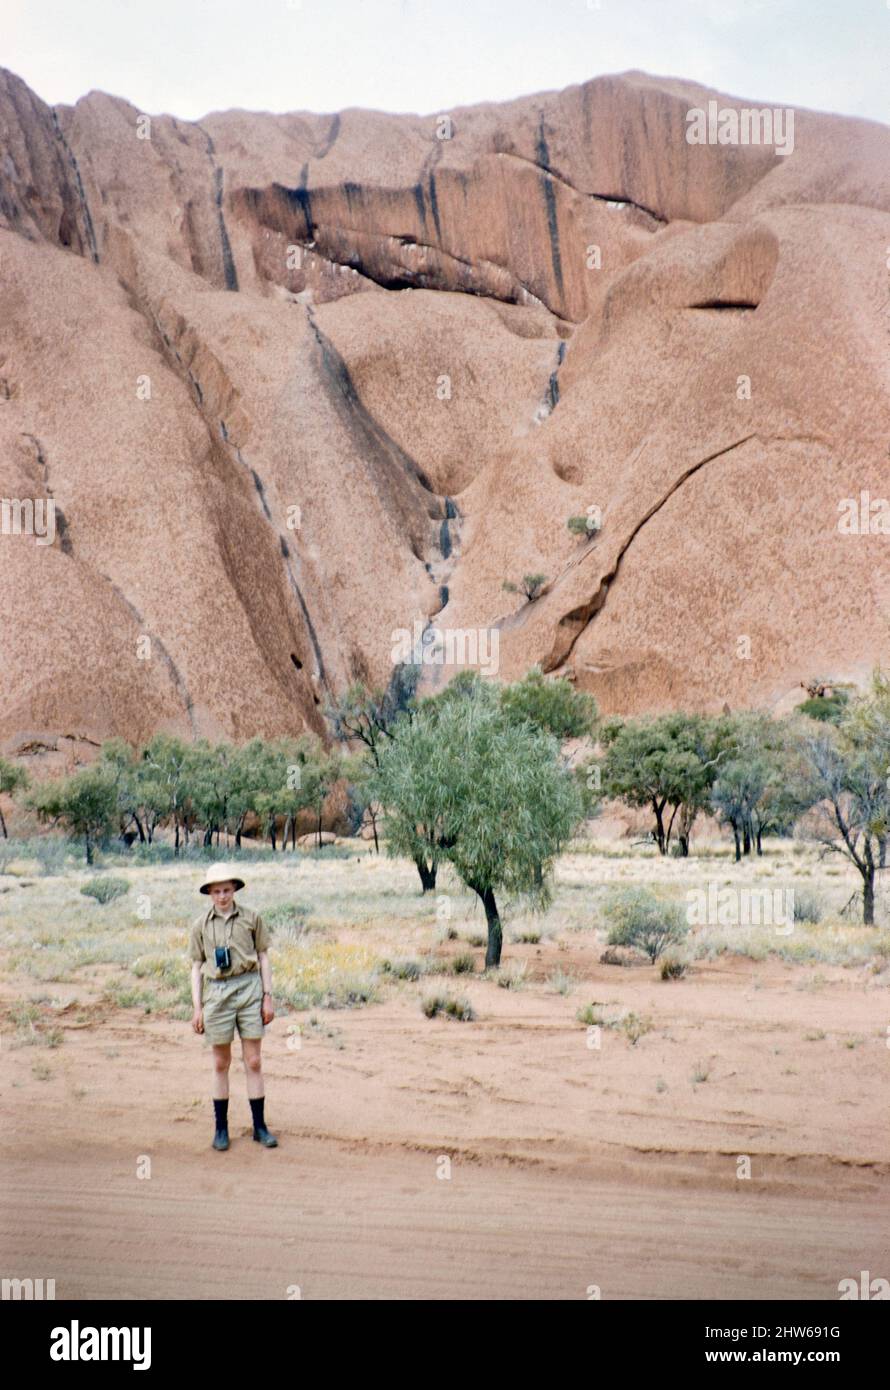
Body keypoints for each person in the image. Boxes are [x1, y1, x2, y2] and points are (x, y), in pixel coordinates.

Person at [189, 863, 278, 1151]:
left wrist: (267, 995)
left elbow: (263, 957)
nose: (223, 896)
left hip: (249, 988)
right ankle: (221, 1129)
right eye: (216, 891)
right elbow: (196, 967)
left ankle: (259, 1127)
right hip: (217, 993)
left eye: (227, 890)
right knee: (220, 1063)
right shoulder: (201, 925)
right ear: (209, 893)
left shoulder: (252, 918)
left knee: (253, 1061)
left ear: (235, 889)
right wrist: (197, 1007)